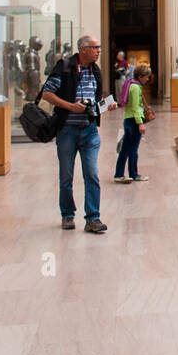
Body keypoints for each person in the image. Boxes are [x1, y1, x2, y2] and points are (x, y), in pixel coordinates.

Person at [41, 34, 107, 233]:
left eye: (99, 48)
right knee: (66, 176)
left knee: (92, 174)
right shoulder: (65, 66)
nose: (99, 51)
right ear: (83, 49)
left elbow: (95, 101)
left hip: (89, 130)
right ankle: (68, 214)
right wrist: (70, 106)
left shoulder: (96, 70)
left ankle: (93, 218)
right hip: (67, 130)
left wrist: (105, 107)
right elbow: (47, 93)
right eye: (95, 47)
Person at [114, 63, 150, 183]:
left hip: (128, 119)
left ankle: (119, 174)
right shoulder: (135, 88)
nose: (147, 79)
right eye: (146, 76)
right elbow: (135, 107)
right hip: (134, 120)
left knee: (125, 149)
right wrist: (140, 123)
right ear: (140, 76)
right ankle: (134, 174)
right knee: (133, 149)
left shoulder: (132, 85)